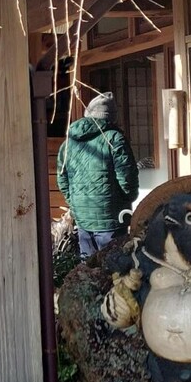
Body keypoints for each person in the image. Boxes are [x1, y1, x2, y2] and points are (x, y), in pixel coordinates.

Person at [56, 91, 139, 259]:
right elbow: (127, 176)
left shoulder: (68, 143)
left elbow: (62, 179)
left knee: (88, 267)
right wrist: (126, 199)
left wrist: (75, 203)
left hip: (82, 217)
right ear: (112, 117)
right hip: (111, 217)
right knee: (114, 267)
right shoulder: (114, 139)